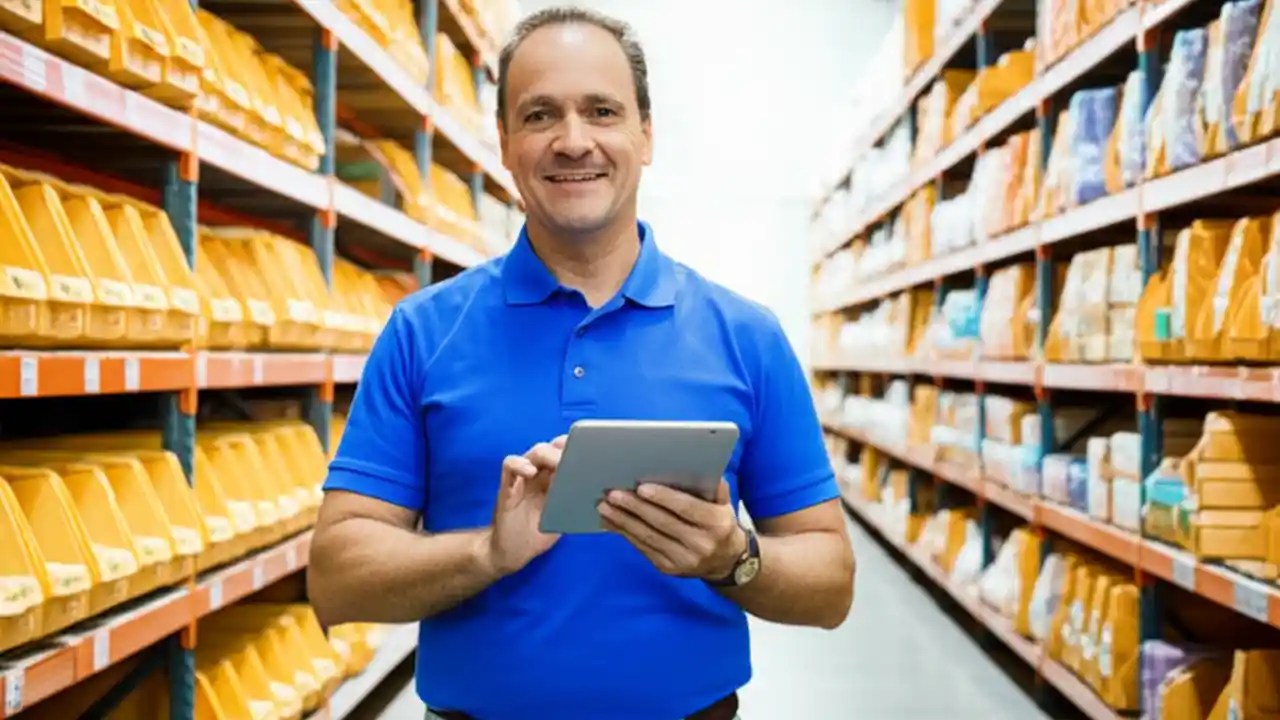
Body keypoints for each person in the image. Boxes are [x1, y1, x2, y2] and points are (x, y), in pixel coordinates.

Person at [307, 6, 855, 720]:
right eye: (540, 116)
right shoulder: (423, 332)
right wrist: (486, 554)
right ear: (503, 142)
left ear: (645, 134)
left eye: (602, 111)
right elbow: (337, 578)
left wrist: (731, 555)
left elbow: (831, 583)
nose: (574, 142)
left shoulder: (746, 336)